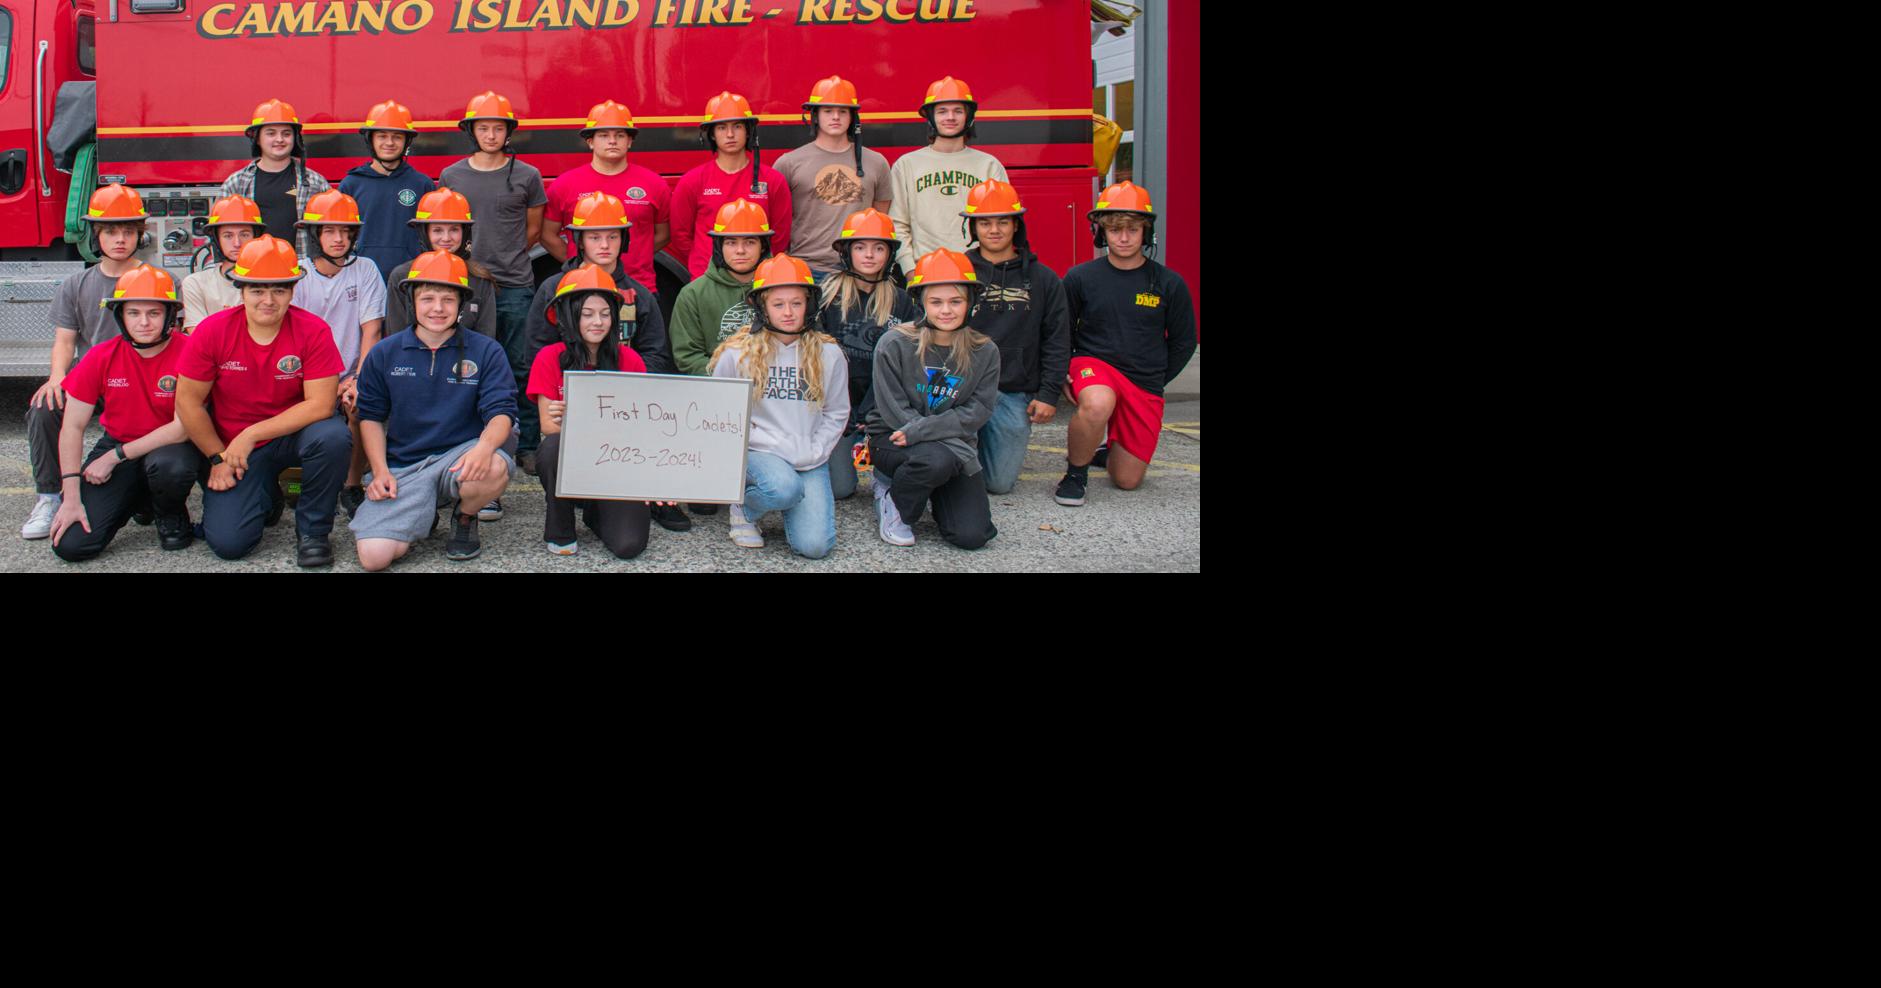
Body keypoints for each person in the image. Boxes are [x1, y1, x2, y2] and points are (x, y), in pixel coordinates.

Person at [175, 235, 352, 567]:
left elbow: (321, 404)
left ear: (293, 291)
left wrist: (252, 433)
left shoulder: (313, 330)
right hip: (235, 448)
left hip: (292, 435)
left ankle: (313, 532)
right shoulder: (212, 331)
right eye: (257, 290)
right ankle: (268, 497)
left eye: (279, 290)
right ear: (241, 290)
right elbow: (188, 402)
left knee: (333, 436)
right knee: (229, 544)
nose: (268, 300)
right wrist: (217, 458)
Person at [350, 250, 518, 569]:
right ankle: (423, 513)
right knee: (374, 558)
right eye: (427, 299)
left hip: (460, 457)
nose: (438, 308)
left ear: (461, 304)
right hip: (405, 465)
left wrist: (484, 448)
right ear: (412, 301)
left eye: (447, 300)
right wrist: (380, 471)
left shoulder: (486, 350)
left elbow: (501, 412)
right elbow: (370, 417)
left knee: (495, 465)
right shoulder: (384, 352)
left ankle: (464, 516)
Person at [524, 192, 676, 522]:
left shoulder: (640, 294)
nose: (604, 245)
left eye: (613, 236)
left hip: (626, 408)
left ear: (624, 240)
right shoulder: (553, 289)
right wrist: (568, 393)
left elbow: (655, 354)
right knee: (555, 453)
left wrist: (626, 393)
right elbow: (537, 350)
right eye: (594, 237)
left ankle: (647, 491)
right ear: (579, 241)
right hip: (571, 407)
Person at [20, 184, 150, 541]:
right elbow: (65, 341)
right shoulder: (76, 284)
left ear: (140, 234)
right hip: (93, 377)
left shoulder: (159, 281)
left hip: (140, 376)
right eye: (111, 231)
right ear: (96, 234)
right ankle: (50, 497)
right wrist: (56, 378)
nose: (120, 239)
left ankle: (146, 492)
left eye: (128, 231)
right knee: (44, 409)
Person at [48, 265, 205, 560]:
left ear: (170, 316)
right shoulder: (100, 356)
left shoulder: (191, 351)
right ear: (120, 315)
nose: (143, 322)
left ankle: (170, 513)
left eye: (154, 313)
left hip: (171, 447)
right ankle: (140, 499)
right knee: (72, 546)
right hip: (119, 441)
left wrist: (114, 457)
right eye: (134, 313)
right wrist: (71, 497)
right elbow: (72, 427)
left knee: (171, 466)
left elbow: (182, 428)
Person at [1056, 182, 1197, 506]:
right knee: (1097, 403)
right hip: (1094, 365)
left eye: (1132, 229)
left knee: (1127, 480)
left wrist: (1156, 377)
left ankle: (1104, 448)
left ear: (1146, 232)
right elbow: (1061, 331)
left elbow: (1184, 341)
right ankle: (1075, 475)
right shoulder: (1079, 277)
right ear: (1101, 232)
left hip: (1143, 380)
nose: (1123, 237)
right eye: (1114, 229)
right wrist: (1064, 370)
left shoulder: (1169, 283)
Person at [527, 264, 679, 560]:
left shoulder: (630, 359)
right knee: (552, 448)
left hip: (618, 462)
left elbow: (643, 427)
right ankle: (560, 526)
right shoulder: (549, 358)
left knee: (629, 545)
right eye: (587, 314)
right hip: (573, 457)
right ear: (569, 316)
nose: (598, 322)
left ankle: (596, 511)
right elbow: (549, 426)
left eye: (605, 313)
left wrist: (657, 475)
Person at [709, 254, 846, 559]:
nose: (788, 312)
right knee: (783, 488)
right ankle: (745, 507)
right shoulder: (737, 354)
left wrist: (817, 450)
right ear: (762, 306)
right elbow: (721, 413)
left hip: (808, 454)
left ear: (809, 305)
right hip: (758, 452)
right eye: (778, 304)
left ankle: (786, 498)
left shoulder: (829, 353)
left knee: (814, 547)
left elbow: (836, 412)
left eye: (796, 303)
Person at [439, 91, 548, 471]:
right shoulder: (452, 176)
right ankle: (468, 438)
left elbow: (533, 230)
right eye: (483, 128)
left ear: (508, 132)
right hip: (464, 285)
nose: (490, 135)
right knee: (464, 365)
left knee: (520, 365)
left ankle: (527, 444)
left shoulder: (527, 176)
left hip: (514, 285)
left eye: (497, 128)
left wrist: (506, 255)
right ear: (472, 132)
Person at [866, 249, 1000, 549]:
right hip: (893, 438)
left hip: (950, 447)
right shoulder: (894, 343)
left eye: (956, 301)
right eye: (936, 302)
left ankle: (927, 486)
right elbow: (893, 410)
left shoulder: (986, 351)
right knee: (935, 460)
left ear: (970, 303)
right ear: (922, 303)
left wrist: (924, 431)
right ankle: (893, 496)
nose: (946, 310)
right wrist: (926, 435)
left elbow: (978, 410)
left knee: (971, 536)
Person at [665, 197, 774, 531]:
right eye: (731, 242)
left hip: (770, 398)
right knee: (704, 504)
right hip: (714, 402)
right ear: (718, 247)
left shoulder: (780, 291)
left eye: (750, 242)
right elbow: (687, 357)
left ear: (764, 246)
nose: (740, 250)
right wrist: (732, 384)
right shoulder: (693, 294)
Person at [960, 179, 1069, 495]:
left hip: (1014, 393)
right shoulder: (957, 271)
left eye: (1003, 222)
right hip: (961, 390)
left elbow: (1057, 339)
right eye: (985, 223)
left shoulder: (1044, 279)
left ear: (1016, 225)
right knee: (953, 473)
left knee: (998, 484)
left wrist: (1048, 394)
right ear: (973, 227)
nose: (994, 230)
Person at [292, 189, 386, 516]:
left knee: (359, 405)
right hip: (308, 375)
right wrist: (322, 385)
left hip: (351, 371)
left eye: (346, 232)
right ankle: (298, 482)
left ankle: (351, 484)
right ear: (314, 235)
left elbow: (371, 331)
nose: (339, 239)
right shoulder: (297, 273)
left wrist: (359, 378)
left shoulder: (366, 269)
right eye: (330, 231)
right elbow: (293, 337)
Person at [815, 207, 918, 501]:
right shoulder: (825, 296)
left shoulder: (902, 301)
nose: (869, 255)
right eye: (860, 247)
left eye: (878, 248)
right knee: (840, 489)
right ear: (847, 252)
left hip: (883, 406)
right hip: (838, 407)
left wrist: (874, 411)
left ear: (890, 254)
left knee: (894, 478)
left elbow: (905, 366)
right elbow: (817, 361)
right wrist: (843, 411)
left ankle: (881, 466)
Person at [540, 100, 671, 299]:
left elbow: (664, 234)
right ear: (590, 142)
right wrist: (576, 261)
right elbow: (547, 235)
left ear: (629, 141)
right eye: (603, 135)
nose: (612, 141)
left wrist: (638, 256)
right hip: (581, 287)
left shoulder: (654, 184)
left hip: (638, 289)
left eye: (620, 135)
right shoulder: (565, 185)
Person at [887, 76, 1008, 275]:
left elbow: (1003, 224)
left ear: (968, 117)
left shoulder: (989, 165)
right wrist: (910, 271)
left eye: (958, 111)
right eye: (942, 111)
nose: (950, 117)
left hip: (978, 272)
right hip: (924, 271)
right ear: (930, 117)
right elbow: (897, 224)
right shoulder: (906, 165)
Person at [773, 76, 892, 277]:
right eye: (828, 111)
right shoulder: (788, 163)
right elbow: (778, 222)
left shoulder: (876, 162)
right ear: (815, 115)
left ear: (852, 116)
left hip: (858, 271)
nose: (836, 117)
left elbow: (882, 218)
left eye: (843, 111)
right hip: (806, 268)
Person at [669, 91, 792, 277]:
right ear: (711, 134)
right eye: (721, 127)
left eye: (737, 126)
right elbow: (680, 236)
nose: (730, 134)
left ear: (748, 131)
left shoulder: (773, 180)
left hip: (758, 279)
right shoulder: (692, 181)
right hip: (708, 279)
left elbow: (780, 237)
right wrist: (706, 263)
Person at [219, 98, 331, 259]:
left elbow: (329, 232)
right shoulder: (236, 184)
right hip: (253, 269)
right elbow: (221, 234)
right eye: (271, 133)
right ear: (257, 138)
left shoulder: (315, 183)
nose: (279, 139)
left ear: (295, 139)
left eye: (286, 134)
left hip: (300, 268)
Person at [383, 188, 499, 341]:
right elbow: (396, 339)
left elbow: (486, 340)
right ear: (424, 233)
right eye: (437, 230)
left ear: (464, 232)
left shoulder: (481, 279)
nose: (446, 238)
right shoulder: (402, 277)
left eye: (454, 230)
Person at [339, 99, 436, 276]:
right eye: (382, 136)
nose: (389, 142)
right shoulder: (351, 185)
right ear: (370, 140)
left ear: (407, 142)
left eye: (397, 136)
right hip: (361, 278)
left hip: (410, 277)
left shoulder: (423, 184)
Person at [181, 195, 266, 330]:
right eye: (228, 236)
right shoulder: (196, 283)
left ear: (256, 237)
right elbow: (197, 335)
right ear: (216, 239)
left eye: (244, 235)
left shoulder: (275, 282)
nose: (237, 243)